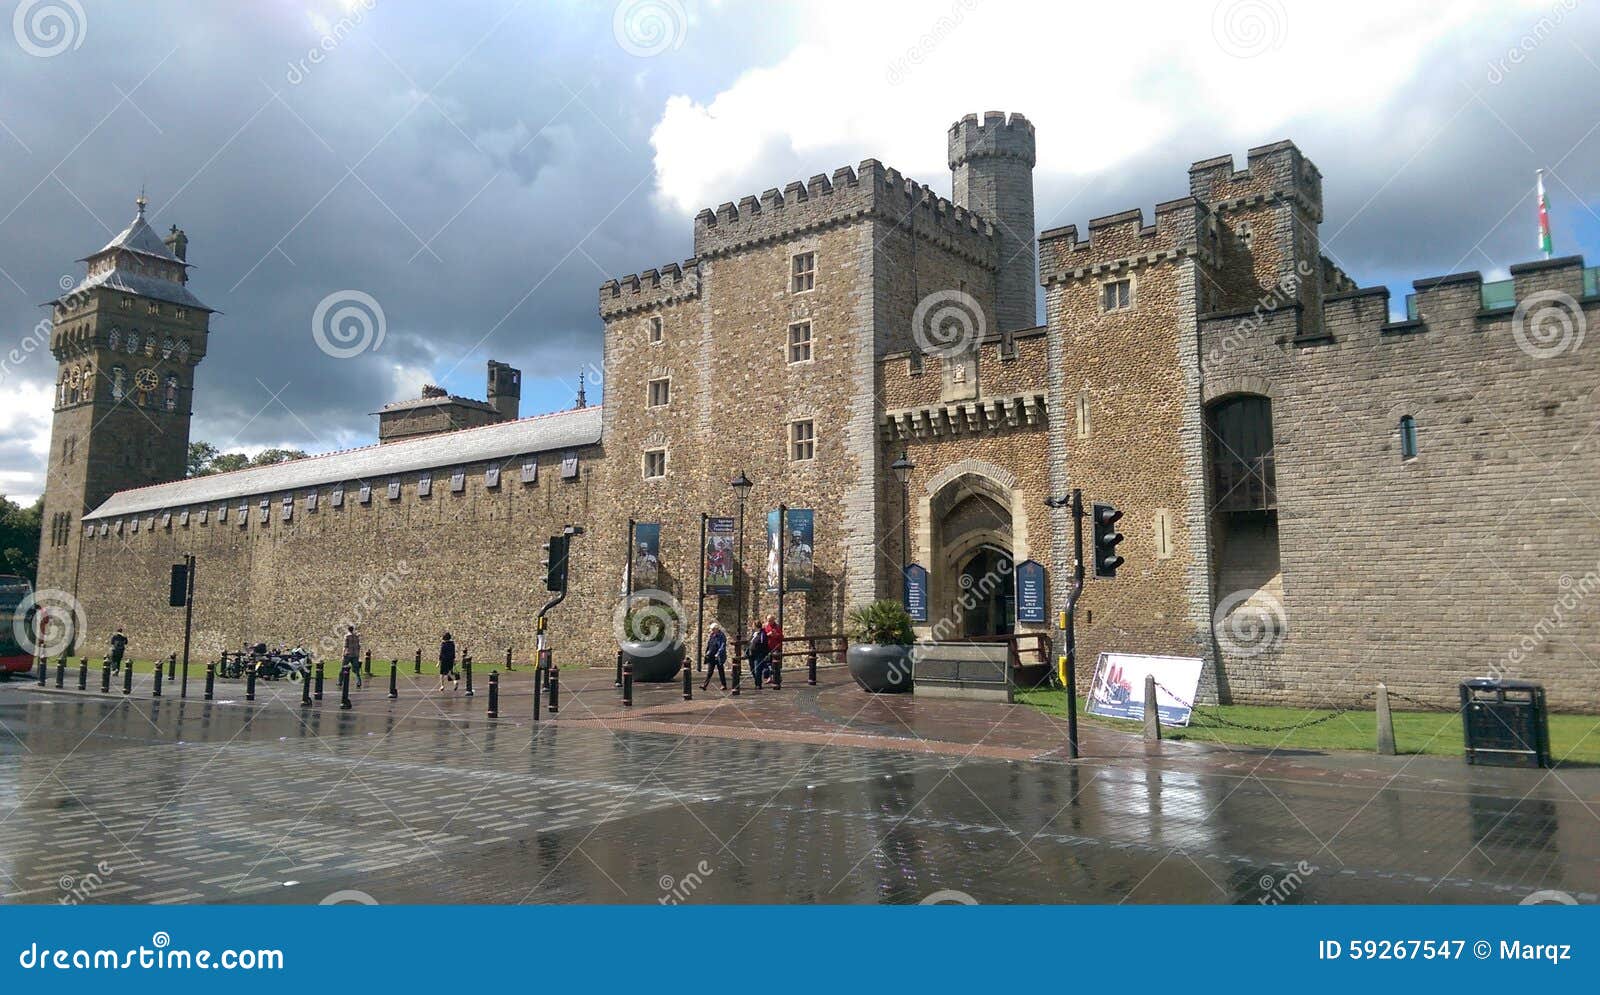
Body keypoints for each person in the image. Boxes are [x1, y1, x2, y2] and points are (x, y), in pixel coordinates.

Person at [701, 621, 727, 691]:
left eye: (713, 629)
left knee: (721, 671)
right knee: (710, 671)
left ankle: (724, 685)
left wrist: (718, 653)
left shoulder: (722, 636)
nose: (712, 631)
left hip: (718, 656)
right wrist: (707, 652)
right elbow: (710, 644)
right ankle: (705, 685)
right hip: (711, 656)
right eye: (711, 630)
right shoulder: (712, 635)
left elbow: (722, 646)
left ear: (716, 629)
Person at [762, 613, 784, 688]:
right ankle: (770, 677)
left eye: (771, 620)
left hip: (776, 648)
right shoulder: (765, 626)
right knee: (768, 663)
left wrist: (776, 635)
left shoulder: (777, 627)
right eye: (768, 620)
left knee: (775, 663)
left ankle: (777, 677)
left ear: (773, 620)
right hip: (768, 648)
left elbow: (781, 636)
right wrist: (768, 634)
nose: (769, 622)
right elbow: (763, 636)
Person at [746, 618, 768, 688]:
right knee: (752, 669)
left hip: (758, 654)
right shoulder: (754, 633)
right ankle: (757, 682)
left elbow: (763, 643)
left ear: (756, 626)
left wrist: (762, 653)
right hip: (751, 654)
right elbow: (750, 642)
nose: (752, 626)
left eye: (753, 625)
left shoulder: (762, 634)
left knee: (757, 670)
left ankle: (758, 684)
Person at [342, 625, 363, 689]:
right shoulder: (356, 636)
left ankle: (340, 681)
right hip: (355, 655)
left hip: (348, 654)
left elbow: (345, 646)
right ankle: (358, 682)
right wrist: (358, 654)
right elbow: (359, 646)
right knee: (356, 670)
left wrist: (343, 654)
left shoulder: (347, 636)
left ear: (348, 629)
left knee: (343, 668)